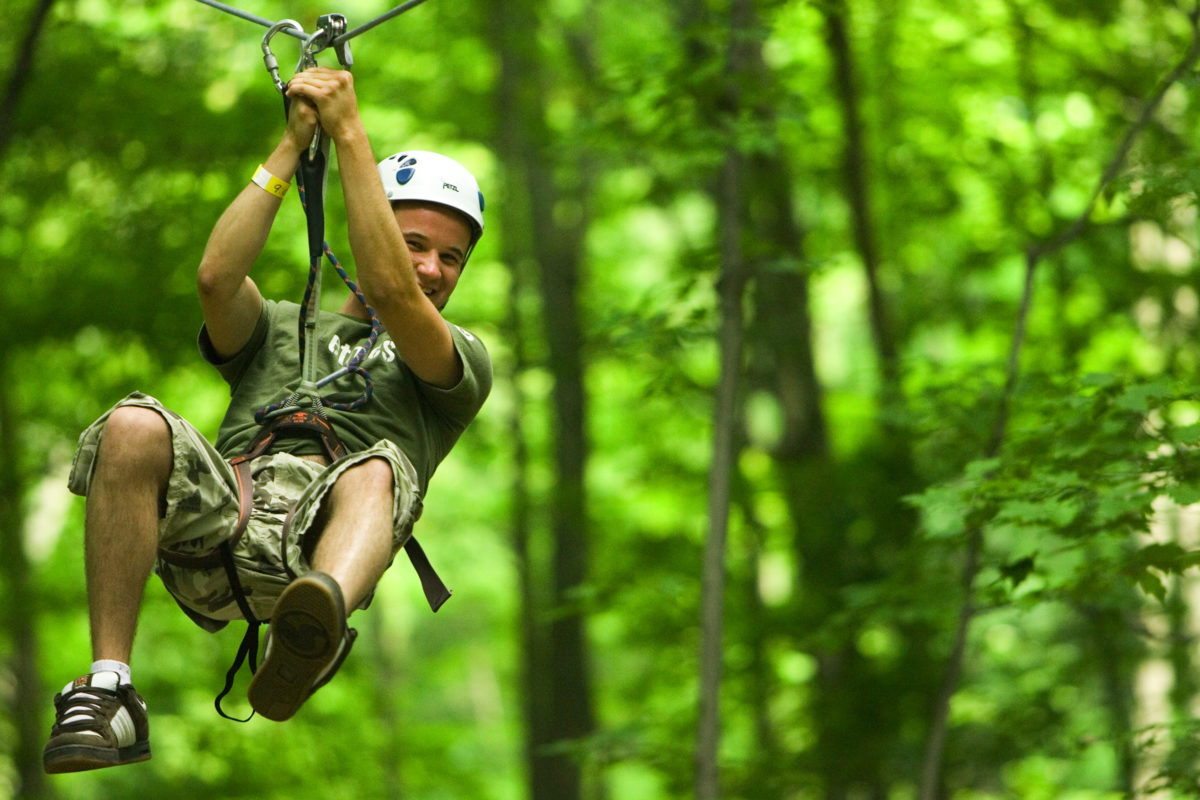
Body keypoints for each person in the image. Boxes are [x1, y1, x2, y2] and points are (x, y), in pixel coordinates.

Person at [41, 66, 492, 774]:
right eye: (413, 243)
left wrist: (350, 132)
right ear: (370, 230)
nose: (432, 268)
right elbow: (217, 278)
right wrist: (292, 145)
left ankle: (314, 621)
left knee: (379, 468)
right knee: (132, 424)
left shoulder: (453, 363)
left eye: (451, 257)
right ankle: (109, 690)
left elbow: (392, 294)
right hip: (223, 530)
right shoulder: (279, 329)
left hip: (322, 553)